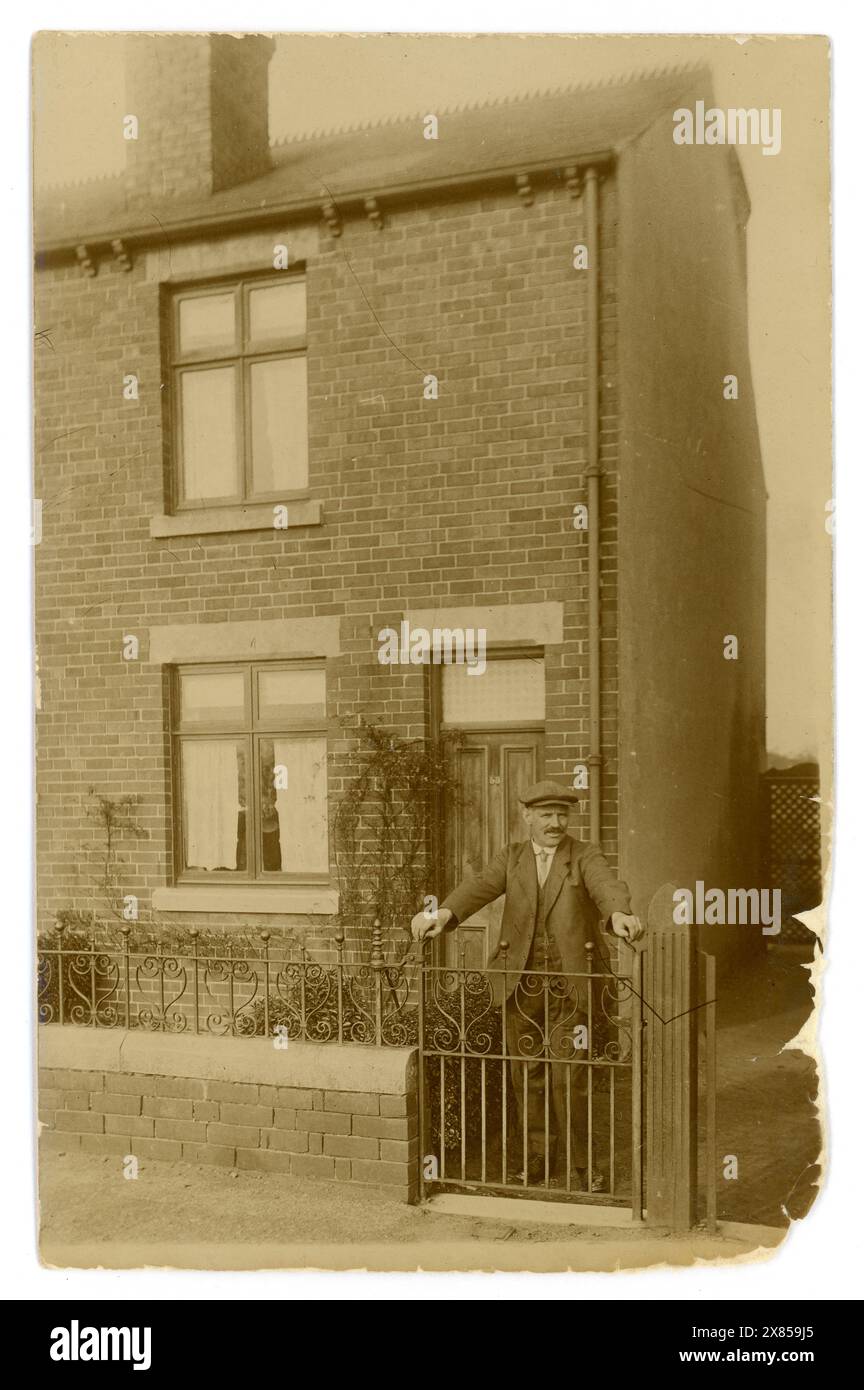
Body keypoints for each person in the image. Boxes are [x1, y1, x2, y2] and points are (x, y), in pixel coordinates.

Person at [410, 779, 644, 1189]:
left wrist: (619, 915)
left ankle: (584, 1166)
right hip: (519, 983)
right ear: (527, 817)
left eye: (561, 815)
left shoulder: (583, 855)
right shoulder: (512, 858)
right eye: (546, 815)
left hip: (571, 984)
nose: (555, 823)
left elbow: (607, 886)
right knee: (527, 1073)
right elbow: (478, 887)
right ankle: (537, 1158)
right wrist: (442, 913)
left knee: (569, 1075)